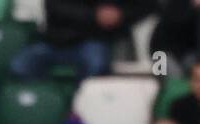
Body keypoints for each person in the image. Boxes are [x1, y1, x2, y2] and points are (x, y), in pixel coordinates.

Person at [9, 0, 152, 80]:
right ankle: (46, 105)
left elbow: (149, 6)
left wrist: (120, 15)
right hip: (54, 42)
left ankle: (80, 110)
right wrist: (94, 16)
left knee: (96, 64)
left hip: (93, 42)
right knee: (20, 65)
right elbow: (54, 7)